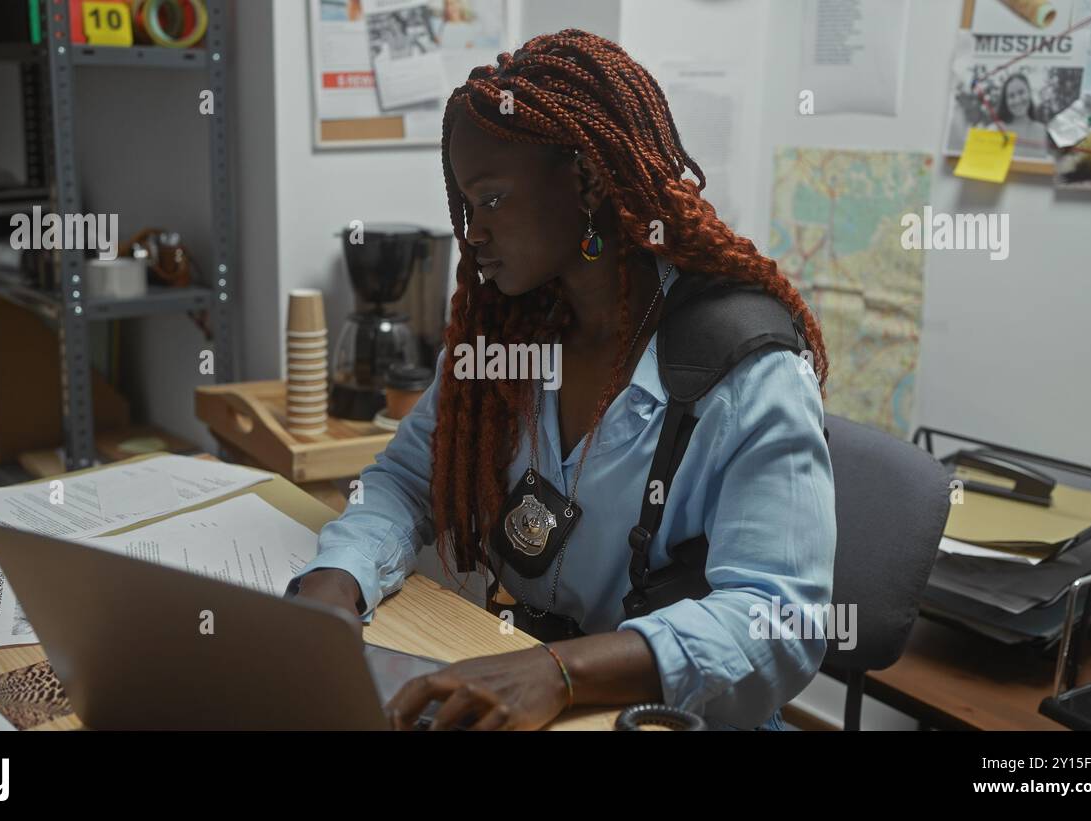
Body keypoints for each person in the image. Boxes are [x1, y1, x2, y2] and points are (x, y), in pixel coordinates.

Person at [288, 29, 836, 731]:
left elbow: (780, 620)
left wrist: (562, 671)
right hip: (524, 684)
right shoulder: (512, 330)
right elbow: (403, 476)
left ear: (584, 180)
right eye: (462, 205)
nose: (469, 234)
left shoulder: (747, 368)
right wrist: (338, 579)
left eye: (488, 201)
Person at [996, 73, 1048, 158]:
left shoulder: (1041, 130)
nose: (1017, 100)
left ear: (1029, 93)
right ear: (1005, 101)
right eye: (1011, 96)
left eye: (1021, 92)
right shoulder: (995, 130)